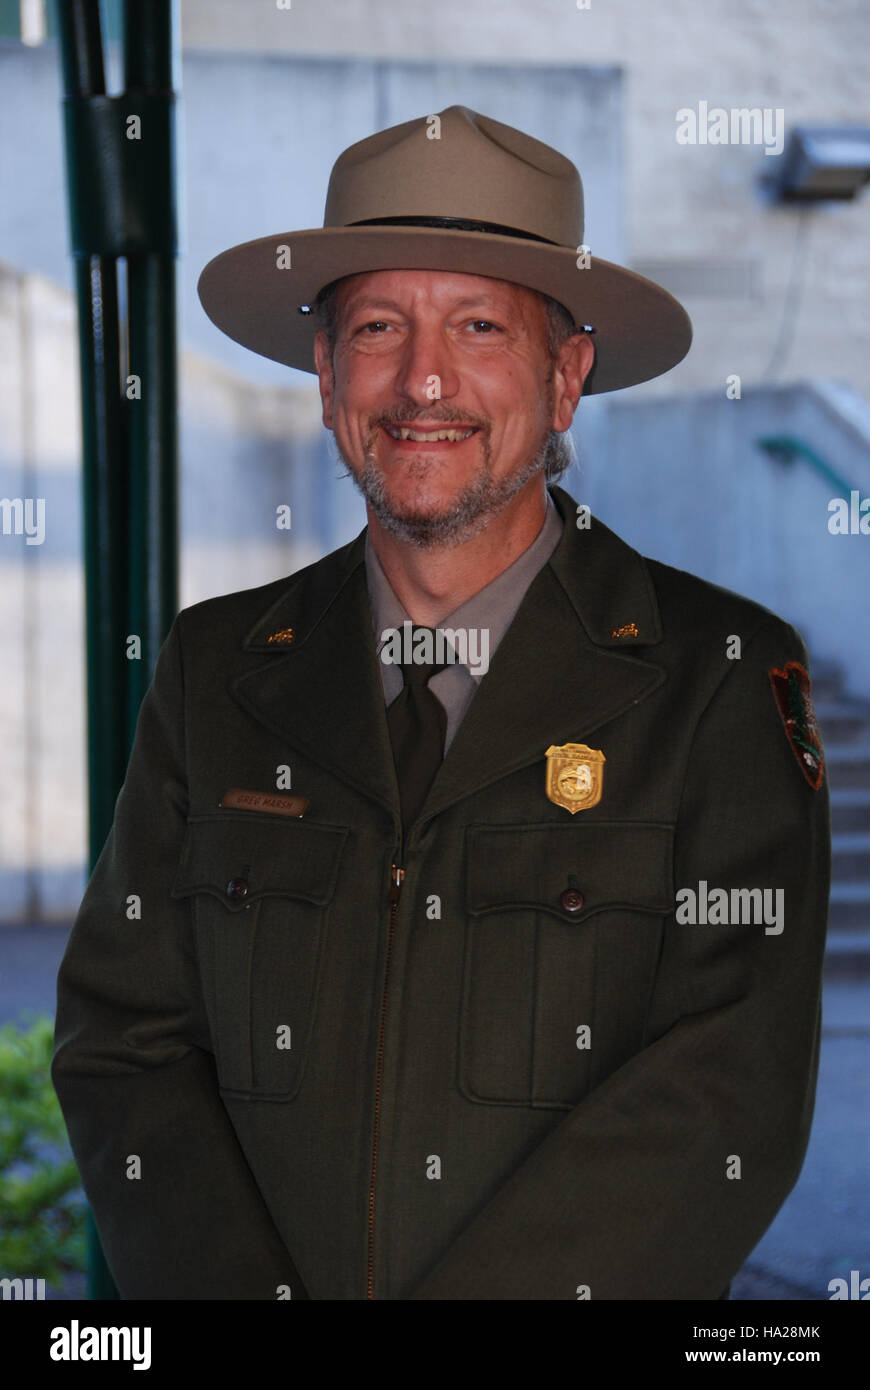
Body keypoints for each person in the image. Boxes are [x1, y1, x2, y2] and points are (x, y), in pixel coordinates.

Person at [52, 104, 830, 1301]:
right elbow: (125, 1039)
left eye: (478, 325)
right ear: (324, 375)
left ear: (565, 374)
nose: (422, 377)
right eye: (376, 326)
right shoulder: (215, 670)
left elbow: (731, 1086)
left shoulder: (717, 678)